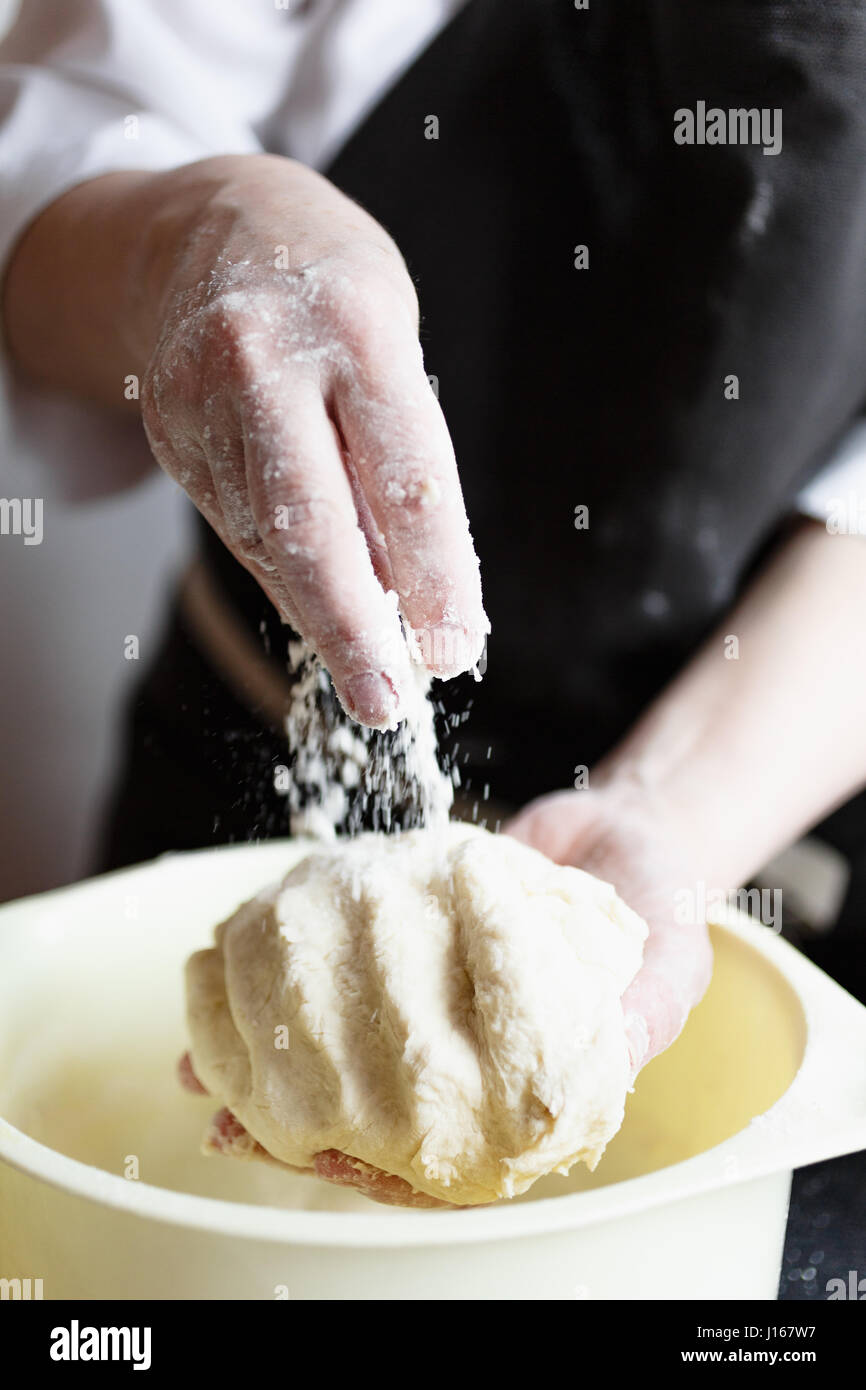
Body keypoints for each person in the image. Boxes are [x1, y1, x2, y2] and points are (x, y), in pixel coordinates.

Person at [2, 1, 866, 1223]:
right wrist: (188, 235)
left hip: (764, 807)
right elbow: (52, 154)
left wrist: (665, 813)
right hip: (245, 763)